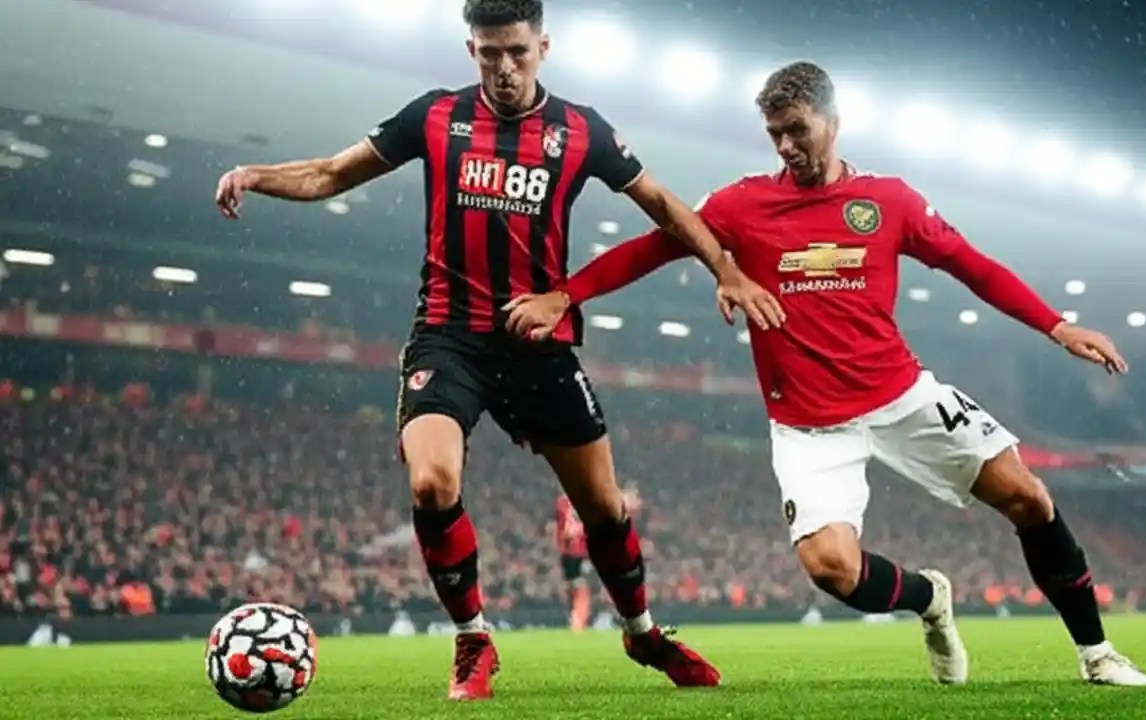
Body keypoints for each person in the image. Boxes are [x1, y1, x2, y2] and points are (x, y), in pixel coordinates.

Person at [504, 60, 1146, 687]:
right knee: (832, 569)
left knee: (1029, 498)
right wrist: (567, 295)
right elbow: (650, 248)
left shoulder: (888, 200)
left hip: (902, 395)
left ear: (833, 121)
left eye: (798, 130)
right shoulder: (741, 205)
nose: (786, 145)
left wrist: (1056, 325)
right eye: (775, 134)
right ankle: (931, 598)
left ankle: (1098, 654)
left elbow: (972, 266)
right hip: (809, 426)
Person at [213, 0, 783, 701]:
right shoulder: (435, 117)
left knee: (603, 510)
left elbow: (663, 205)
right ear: (470, 50)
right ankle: (474, 640)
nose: (505, 69)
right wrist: (255, 174)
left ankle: (641, 632)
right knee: (431, 482)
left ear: (543, 45)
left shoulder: (580, 130)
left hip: (538, 344)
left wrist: (724, 267)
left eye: (517, 52)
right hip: (447, 337)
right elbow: (332, 173)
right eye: (490, 55)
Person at [553, 493, 591, 631]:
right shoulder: (566, 503)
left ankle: (577, 619)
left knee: (577, 587)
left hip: (573, 553)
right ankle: (577, 620)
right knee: (578, 587)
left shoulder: (564, 503)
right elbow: (566, 532)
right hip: (575, 553)